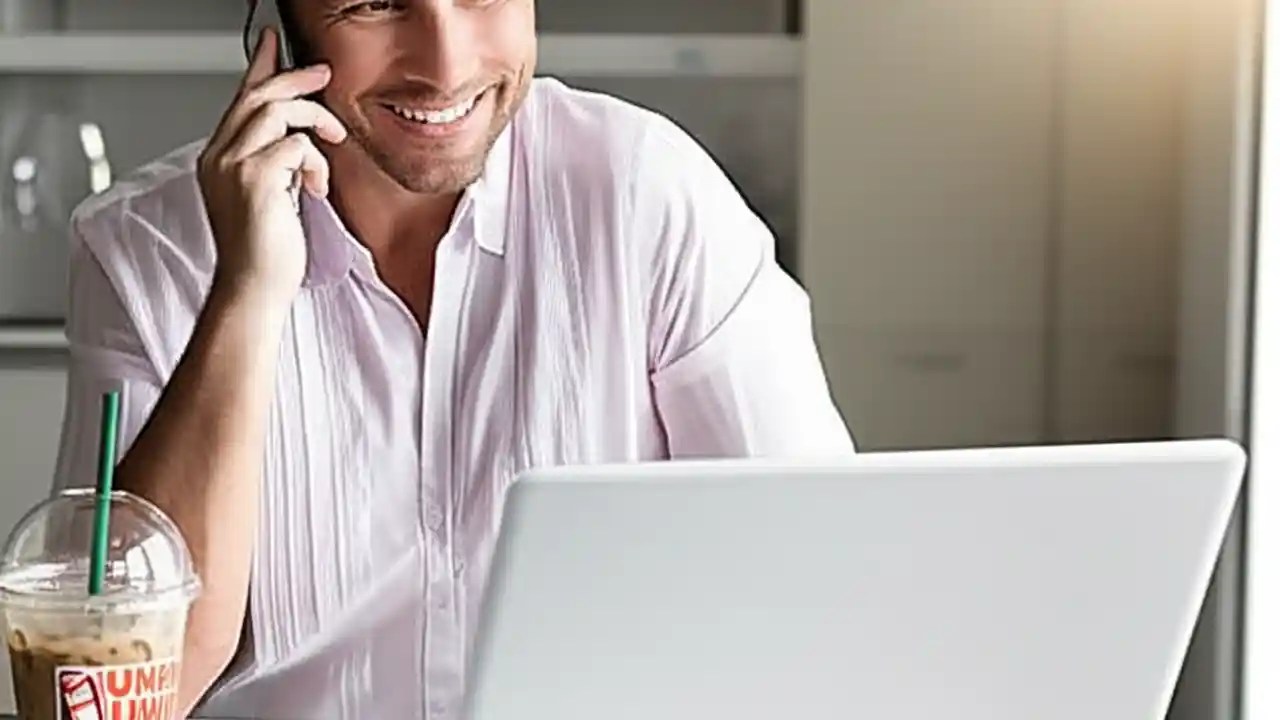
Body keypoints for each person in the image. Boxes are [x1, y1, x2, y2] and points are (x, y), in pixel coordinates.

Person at [52, 0, 854, 717]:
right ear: (279, 30)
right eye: (376, 4)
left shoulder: (650, 196)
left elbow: (822, 594)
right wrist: (247, 293)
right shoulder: (145, 250)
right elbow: (116, 694)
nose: (445, 66)